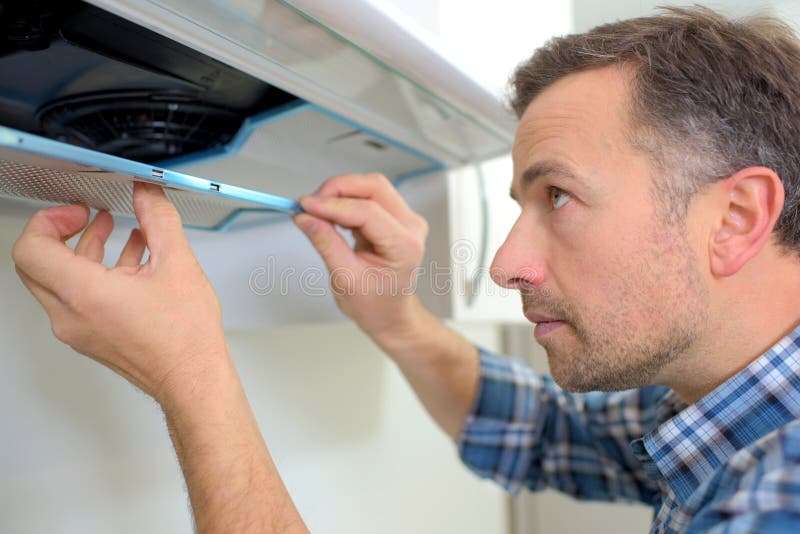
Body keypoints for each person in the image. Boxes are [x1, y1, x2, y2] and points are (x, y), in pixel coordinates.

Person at [11, 5, 800, 533]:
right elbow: (543, 434)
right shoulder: (716, 404)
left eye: (557, 196)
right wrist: (392, 315)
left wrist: (192, 375)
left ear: (735, 219)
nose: (506, 264)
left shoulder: (781, 497)